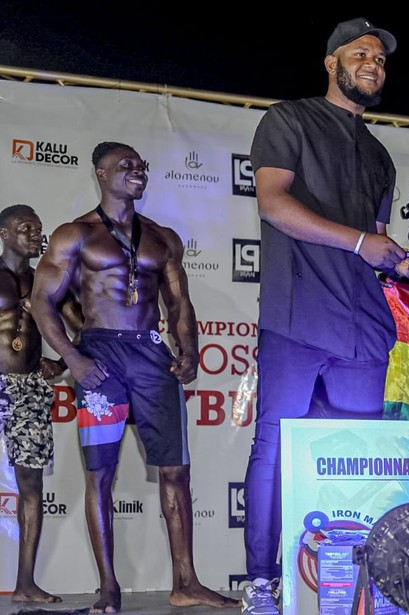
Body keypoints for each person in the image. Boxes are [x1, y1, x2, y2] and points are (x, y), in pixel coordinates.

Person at [241, 17, 409, 615]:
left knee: (354, 456)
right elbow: (273, 204)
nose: (373, 65)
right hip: (297, 314)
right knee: (275, 447)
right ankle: (261, 581)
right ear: (331, 62)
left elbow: (378, 244)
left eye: (381, 59)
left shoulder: (380, 155)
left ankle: (347, 583)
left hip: (363, 326)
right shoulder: (288, 119)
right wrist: (362, 243)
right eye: (360, 54)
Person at [29, 142, 239, 613]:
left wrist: (190, 351)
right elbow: (42, 300)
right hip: (100, 356)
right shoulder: (75, 234)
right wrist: (72, 358)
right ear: (101, 174)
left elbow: (179, 303)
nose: (137, 170)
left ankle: (186, 582)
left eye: (141, 165)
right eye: (125, 165)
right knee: (100, 473)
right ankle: (108, 588)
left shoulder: (162, 238)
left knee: (176, 470)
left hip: (149, 354)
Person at [0, 204, 81, 604]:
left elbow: (84, 326)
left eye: (37, 228)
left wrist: (62, 363)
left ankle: (25, 584)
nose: (34, 233)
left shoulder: (46, 282)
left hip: (28, 386)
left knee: (30, 484)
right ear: (4, 233)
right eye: (24, 227)